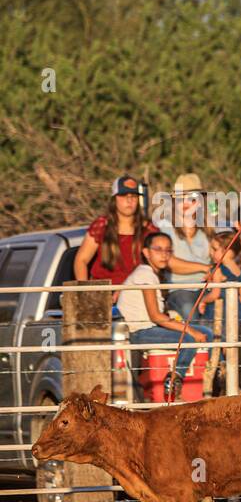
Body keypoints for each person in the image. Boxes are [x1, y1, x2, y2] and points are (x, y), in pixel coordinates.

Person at [117, 231, 213, 402]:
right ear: (146, 253)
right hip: (141, 332)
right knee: (189, 338)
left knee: (207, 332)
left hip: (151, 329)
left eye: (168, 250)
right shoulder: (144, 275)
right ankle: (175, 378)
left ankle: (210, 375)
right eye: (158, 249)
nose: (164, 255)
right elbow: (155, 316)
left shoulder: (152, 274)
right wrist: (189, 329)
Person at [74, 175, 152, 296]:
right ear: (114, 199)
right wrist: (85, 292)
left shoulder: (148, 228)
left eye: (134, 196)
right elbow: (81, 260)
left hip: (138, 293)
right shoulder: (101, 226)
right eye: (124, 196)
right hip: (103, 293)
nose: (129, 200)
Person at [156, 172, 214, 324]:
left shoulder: (208, 230)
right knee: (189, 309)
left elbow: (218, 258)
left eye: (192, 198)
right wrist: (204, 268)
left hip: (206, 288)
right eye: (181, 198)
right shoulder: (164, 228)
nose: (186, 202)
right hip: (179, 289)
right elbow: (169, 262)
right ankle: (198, 346)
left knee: (219, 309)